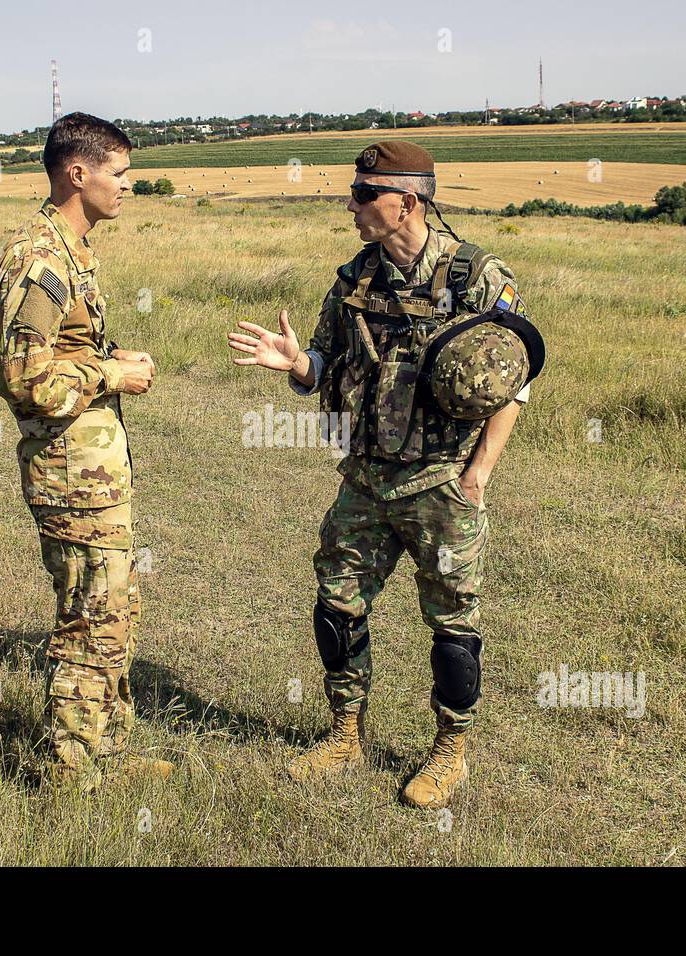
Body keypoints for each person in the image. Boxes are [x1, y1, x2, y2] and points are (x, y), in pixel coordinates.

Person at [227, 141, 539, 808]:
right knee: (337, 604)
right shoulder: (352, 280)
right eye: (355, 191)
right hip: (365, 480)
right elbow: (323, 366)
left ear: (408, 201)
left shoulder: (478, 277)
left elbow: (515, 385)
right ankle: (345, 735)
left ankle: (450, 753)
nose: (352, 204)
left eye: (365, 193)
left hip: (442, 482)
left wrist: (479, 473)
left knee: (453, 624)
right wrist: (294, 363)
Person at [0, 111, 168, 790]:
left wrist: (104, 358)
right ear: (78, 172)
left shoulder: (72, 249)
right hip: (69, 476)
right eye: (119, 173)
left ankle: (110, 752)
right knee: (90, 622)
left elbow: (62, 353)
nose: (128, 185)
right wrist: (110, 375)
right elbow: (25, 380)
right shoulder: (39, 258)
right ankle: (69, 774)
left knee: (115, 612)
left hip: (93, 473)